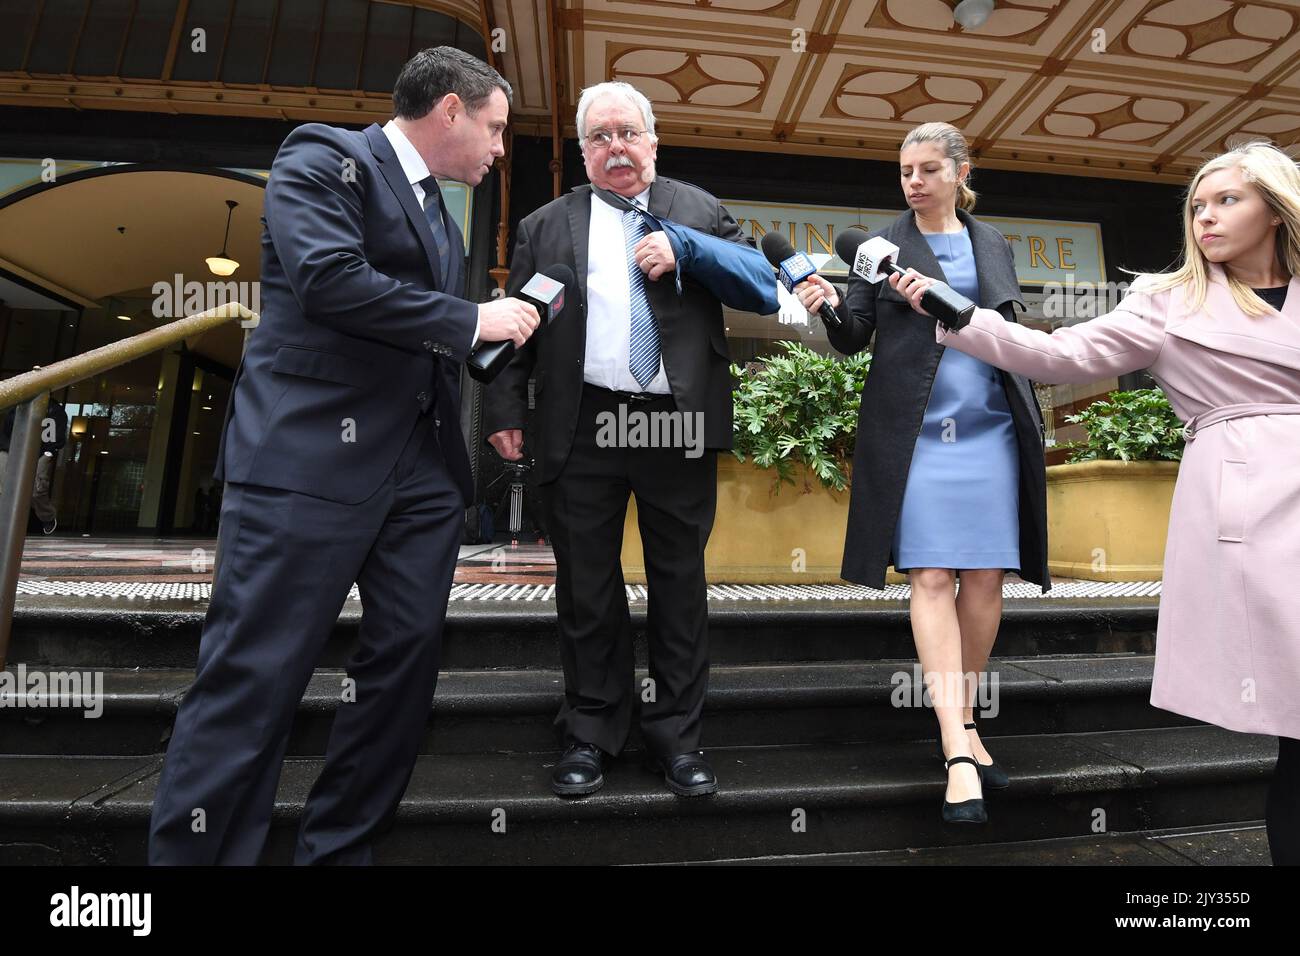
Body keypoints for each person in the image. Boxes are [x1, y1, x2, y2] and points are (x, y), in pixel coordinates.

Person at [148, 47, 540, 864]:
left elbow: (416, 324)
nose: (501, 148)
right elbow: (329, 280)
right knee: (254, 680)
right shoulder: (323, 155)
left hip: (422, 480)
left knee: (400, 682)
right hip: (307, 466)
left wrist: (486, 338)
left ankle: (339, 851)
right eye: (496, 128)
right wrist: (474, 320)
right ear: (451, 112)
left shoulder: (442, 210)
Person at [886, 140, 1300, 863]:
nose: (1204, 217)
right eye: (1196, 205)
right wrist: (956, 311)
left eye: (1226, 200)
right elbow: (1059, 355)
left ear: (1276, 208)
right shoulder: (1169, 303)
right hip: (1255, 511)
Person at [483, 81, 759, 798]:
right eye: (600, 137)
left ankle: (677, 738)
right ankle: (591, 731)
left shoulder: (697, 210)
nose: (617, 148)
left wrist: (690, 253)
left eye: (629, 133)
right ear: (583, 153)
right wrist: (505, 411)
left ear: (654, 143)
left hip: (675, 422)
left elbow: (762, 284)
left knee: (678, 583)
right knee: (587, 588)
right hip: (583, 422)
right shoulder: (547, 225)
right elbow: (519, 328)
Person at [795, 122, 1050, 824]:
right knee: (933, 575)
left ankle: (964, 718)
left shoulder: (990, 240)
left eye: (929, 168)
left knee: (987, 578)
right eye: (906, 169)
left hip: (992, 427)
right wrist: (824, 306)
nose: (914, 180)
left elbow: (1009, 328)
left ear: (962, 172)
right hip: (917, 433)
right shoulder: (878, 247)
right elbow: (852, 340)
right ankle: (956, 747)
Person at [0, 395, 68, 534]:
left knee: (36, 490)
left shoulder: (55, 410)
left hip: (41, 451)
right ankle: (5, 520)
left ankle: (47, 517)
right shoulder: (18, 407)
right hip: (12, 450)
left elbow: (58, 436)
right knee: (4, 487)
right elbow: (6, 432)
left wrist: (49, 452)